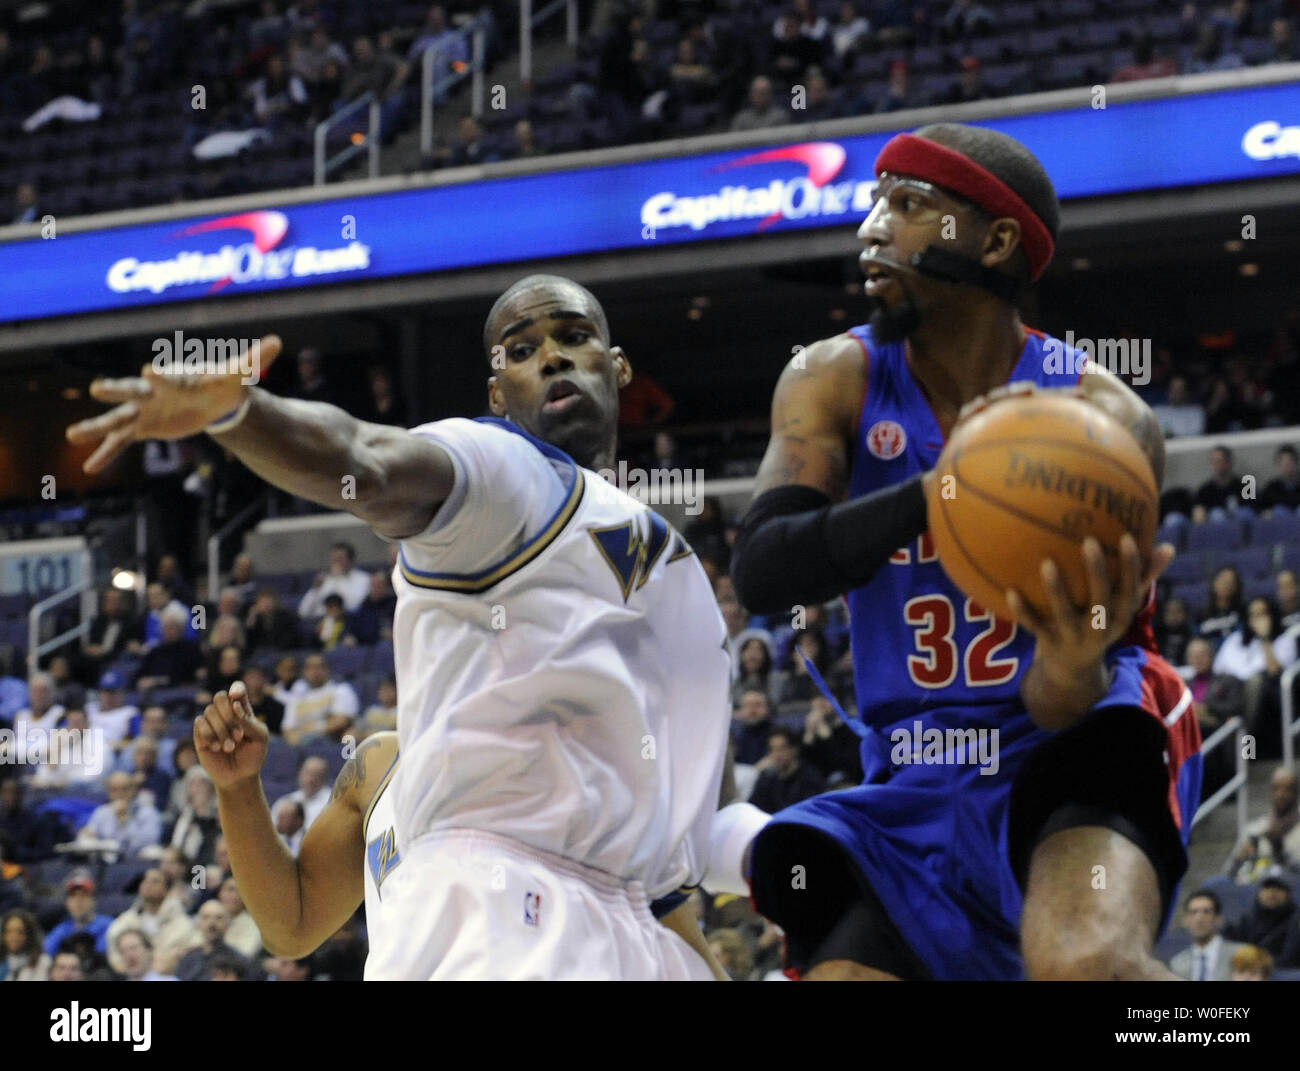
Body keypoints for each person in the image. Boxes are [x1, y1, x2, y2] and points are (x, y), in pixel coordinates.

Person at [69, 274, 732, 980]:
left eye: (573, 337)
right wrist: (242, 416)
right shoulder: (504, 469)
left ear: (618, 365)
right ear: (496, 394)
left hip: (632, 929)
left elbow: (665, 903)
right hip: (506, 920)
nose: (552, 357)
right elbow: (368, 461)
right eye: (522, 348)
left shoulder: (670, 568)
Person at [725, 123, 1201, 981]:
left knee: (1086, 966)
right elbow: (763, 567)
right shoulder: (832, 376)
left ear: (997, 240)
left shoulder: (1103, 417)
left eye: (909, 206)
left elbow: (1069, 691)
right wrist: (955, 486)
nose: (873, 227)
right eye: (874, 201)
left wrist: (1065, 662)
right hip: (915, 760)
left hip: (1076, 727)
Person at [1225, 767, 1300, 880]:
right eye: (1276, 788)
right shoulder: (1254, 829)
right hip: (1257, 892)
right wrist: (1242, 859)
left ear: (1297, 792)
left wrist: (1278, 849)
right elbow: (1230, 875)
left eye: (1288, 789)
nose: (1281, 795)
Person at [1169, 890, 1244, 980]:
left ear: (1218, 919)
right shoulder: (1177, 963)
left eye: (1206, 912)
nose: (1199, 919)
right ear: (1185, 920)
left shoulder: (1240, 955)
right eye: (1193, 912)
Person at [749, 728, 828, 813]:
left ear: (794, 749)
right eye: (772, 750)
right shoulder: (767, 779)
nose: (777, 755)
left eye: (782, 749)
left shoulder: (810, 777)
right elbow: (754, 809)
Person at [43, 875, 113, 958]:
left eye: (83, 896)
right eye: (73, 896)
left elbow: (101, 955)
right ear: (67, 903)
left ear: (93, 900)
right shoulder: (63, 928)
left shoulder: (108, 925)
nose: (78, 901)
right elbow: (45, 952)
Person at [1, 908, 50, 980]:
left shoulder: (42, 962)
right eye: (9, 931)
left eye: (20, 932)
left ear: (29, 935)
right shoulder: (3, 961)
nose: (14, 937)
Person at [1261, 445, 1300, 514]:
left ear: (1296, 463)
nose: (1287, 466)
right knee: (1279, 511)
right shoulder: (1271, 488)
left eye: (1289, 462)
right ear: (1278, 465)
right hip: (1279, 522)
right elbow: (1261, 509)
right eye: (1283, 463)